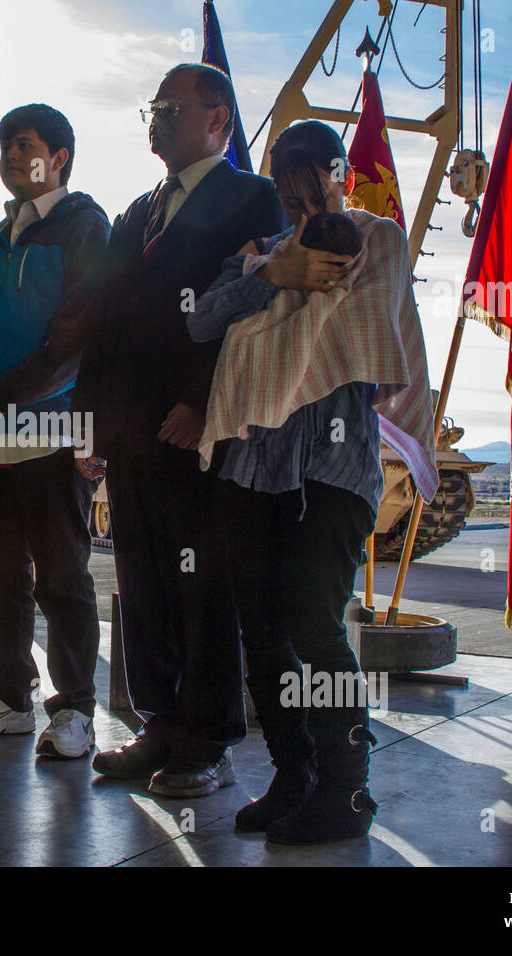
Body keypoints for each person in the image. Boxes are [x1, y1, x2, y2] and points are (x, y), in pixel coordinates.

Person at [190, 120, 436, 843]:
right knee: (262, 632)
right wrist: (274, 274)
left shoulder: (378, 238)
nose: (301, 216)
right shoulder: (264, 257)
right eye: (288, 202)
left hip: (331, 469)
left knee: (315, 627)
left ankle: (346, 790)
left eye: (312, 195)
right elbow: (204, 323)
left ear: (342, 180)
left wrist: (280, 300)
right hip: (253, 465)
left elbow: (346, 331)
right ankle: (291, 774)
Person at [71, 64, 287, 797]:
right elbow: (100, 321)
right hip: (128, 432)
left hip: (200, 431)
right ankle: (158, 723)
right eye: (152, 108)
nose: (156, 119)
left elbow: (257, 309)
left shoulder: (251, 198)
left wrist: (203, 402)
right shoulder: (138, 210)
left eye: (171, 107)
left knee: (202, 586)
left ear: (219, 121)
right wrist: (89, 425)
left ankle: (208, 739)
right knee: (143, 581)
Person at [0, 103, 110, 758]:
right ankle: (8, 698)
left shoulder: (84, 226)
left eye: (26, 144)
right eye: (5, 144)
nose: (12, 155)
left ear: (59, 157)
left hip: (50, 433)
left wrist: (3, 393)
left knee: (62, 578)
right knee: (0, 579)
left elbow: (75, 337)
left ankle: (74, 712)